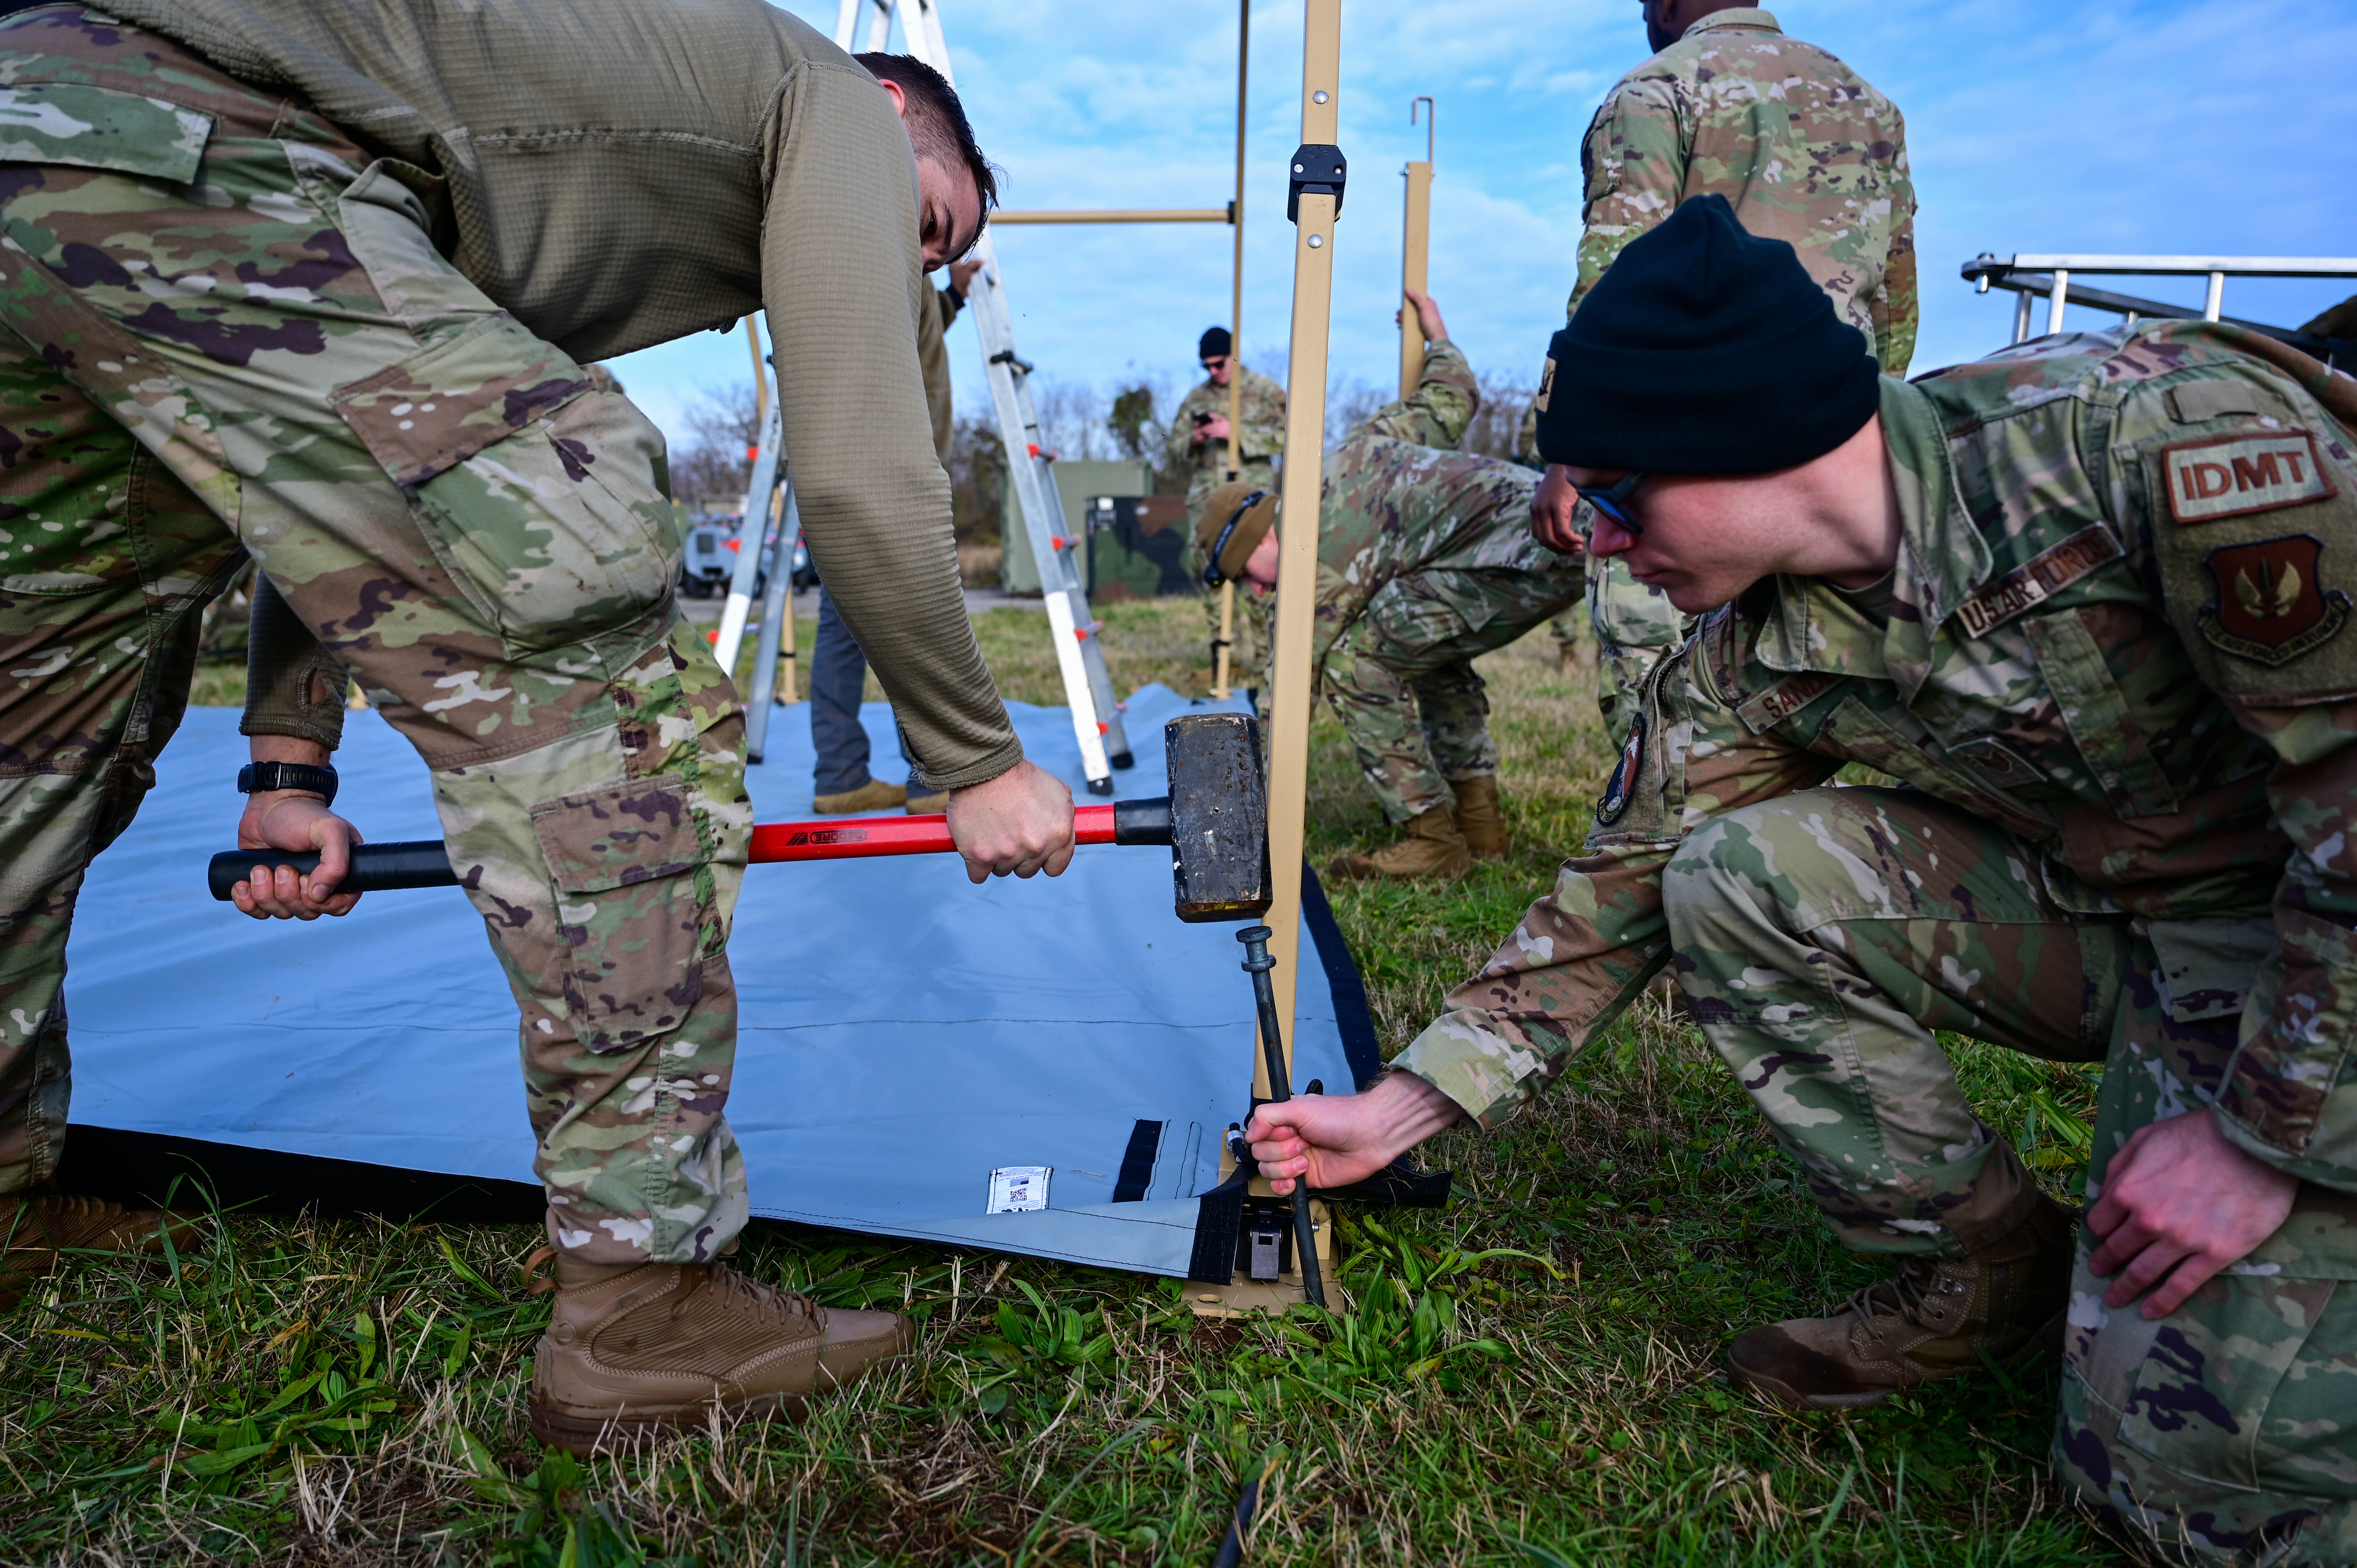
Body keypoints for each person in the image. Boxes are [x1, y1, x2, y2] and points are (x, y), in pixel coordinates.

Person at [0, 2, 1076, 1453]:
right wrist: (979, 761)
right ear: (903, 132)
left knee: (38, 710)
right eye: (930, 228)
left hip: (54, 123)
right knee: (585, 616)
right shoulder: (830, 102)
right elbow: (864, 480)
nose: (916, 267)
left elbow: (341, 481)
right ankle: (645, 1303)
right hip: (200, 148)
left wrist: (286, 763)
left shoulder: (528, 173)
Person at [1248, 197, 2357, 1560]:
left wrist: (2265, 1134)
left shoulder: (2153, 444)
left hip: (2318, 940)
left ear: (1736, 437)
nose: (1590, 540)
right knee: (1729, 873)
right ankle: (1985, 1273)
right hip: (2140, 919)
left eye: (1611, 494)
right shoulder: (1746, 649)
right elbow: (1617, 884)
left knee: (2204, 1501)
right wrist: (1403, 1108)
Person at [1526, 0, 1917, 743]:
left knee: (1658, 676)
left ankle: (1666, 836)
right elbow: (1895, 286)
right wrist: (1867, 427)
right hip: (1829, 441)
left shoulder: (1654, 92)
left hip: (1674, 446)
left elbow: (1613, 280)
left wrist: (1572, 459)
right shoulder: (1868, 103)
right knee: (1804, 665)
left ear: (1668, 5)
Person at [1196, 291, 1586, 879]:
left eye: (1245, 577)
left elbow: (1285, 697)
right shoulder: (1360, 447)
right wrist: (1437, 334)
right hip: (1558, 526)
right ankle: (1482, 828)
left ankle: (1430, 836)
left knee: (1359, 662)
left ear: (1260, 542)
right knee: (1416, 641)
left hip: (1522, 554)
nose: (1255, 594)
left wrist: (1247, 827)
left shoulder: (1314, 557)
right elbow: (1451, 400)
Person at [811, 256, 982, 817]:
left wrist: (952, 300)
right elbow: (878, 357)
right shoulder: (881, 259)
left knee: (842, 628)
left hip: (850, 471)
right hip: (884, 475)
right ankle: (932, 782)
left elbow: (910, 339)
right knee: (912, 620)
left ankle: (840, 776)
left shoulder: (903, 268)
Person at [1168, 325, 1286, 679]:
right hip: (1208, 503)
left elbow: (1292, 435)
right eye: (1207, 367)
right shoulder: (1196, 398)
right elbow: (1173, 448)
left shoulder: (1264, 391)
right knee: (1213, 580)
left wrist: (1237, 433)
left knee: (1259, 583)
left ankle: (1267, 659)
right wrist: (1196, 438)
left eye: (1219, 364)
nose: (1213, 372)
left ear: (1234, 356)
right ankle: (1225, 659)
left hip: (1252, 506)